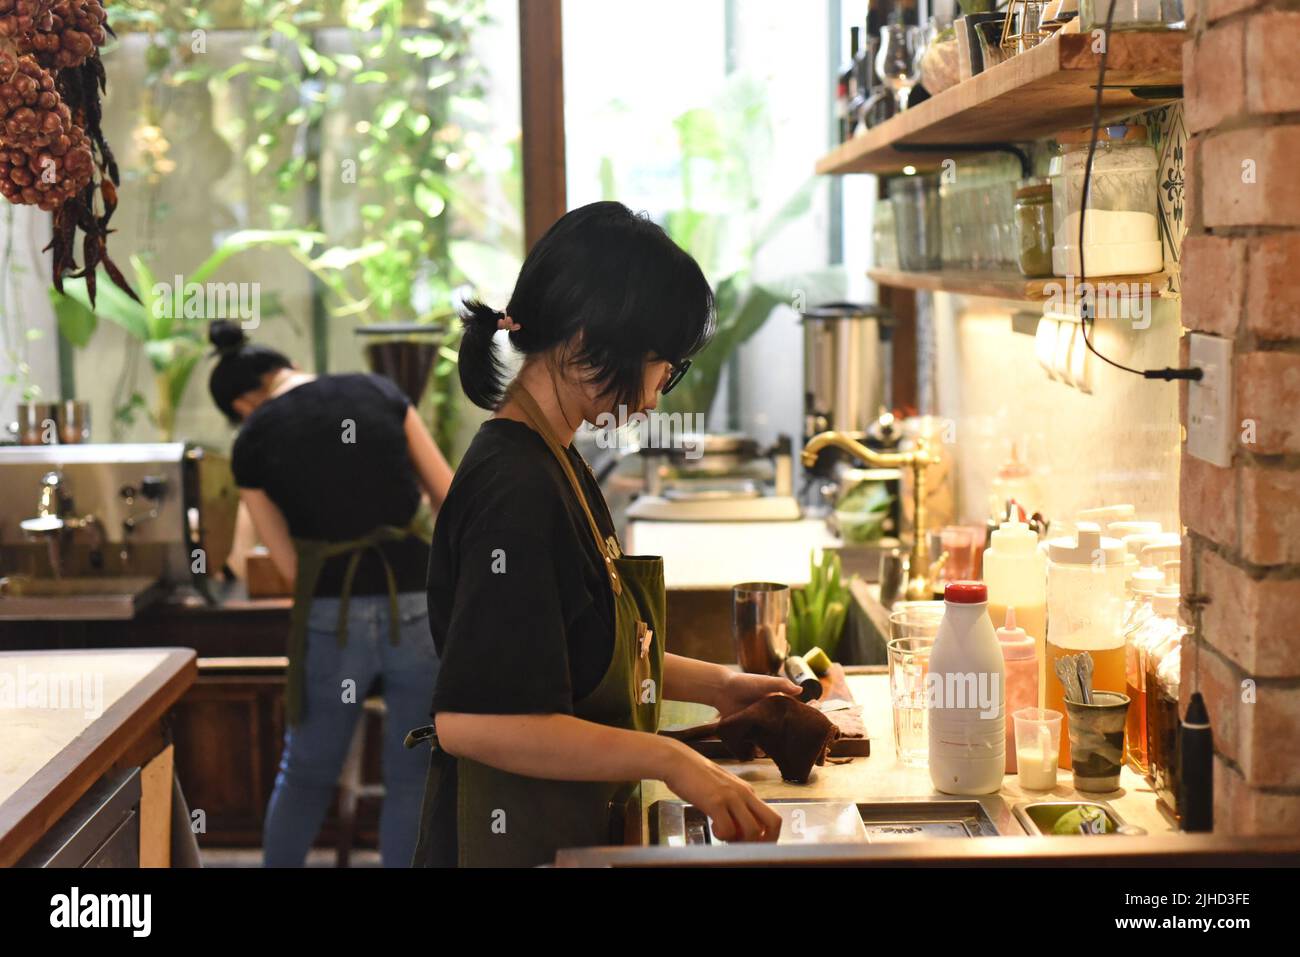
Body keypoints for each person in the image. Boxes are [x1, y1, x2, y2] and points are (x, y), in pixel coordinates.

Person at [411, 201, 797, 868]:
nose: (657, 392)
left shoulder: (555, 456)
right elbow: (474, 720)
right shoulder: (514, 487)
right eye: (662, 363)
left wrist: (721, 685)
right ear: (590, 340)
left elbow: (579, 654)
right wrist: (670, 757)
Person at [207, 320, 453, 866]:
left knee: (307, 773)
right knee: (413, 773)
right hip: (414, 603)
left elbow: (289, 565)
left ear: (245, 403)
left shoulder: (252, 438)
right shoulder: (379, 391)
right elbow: (449, 495)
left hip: (330, 612)